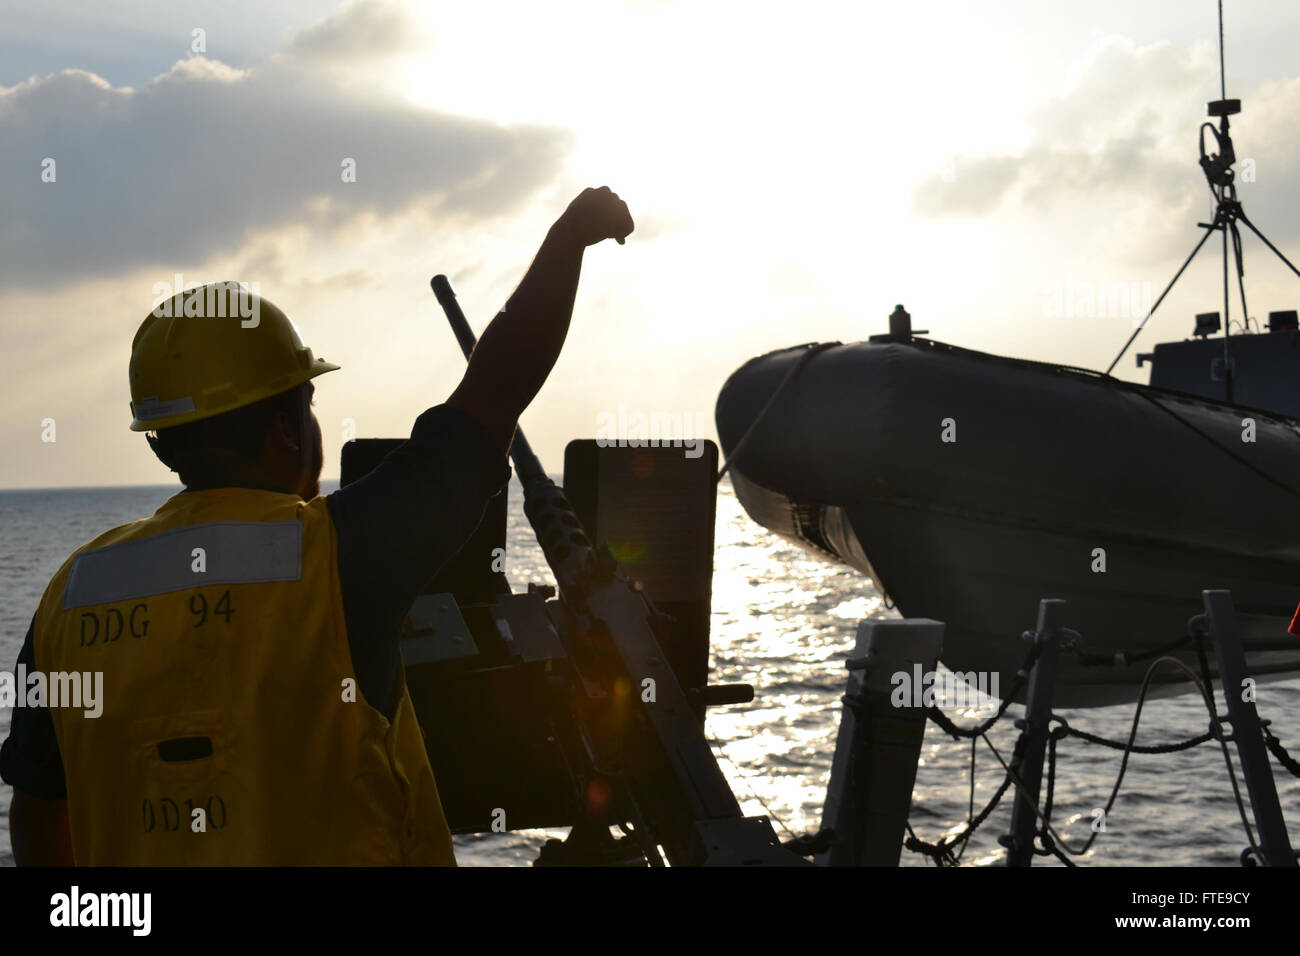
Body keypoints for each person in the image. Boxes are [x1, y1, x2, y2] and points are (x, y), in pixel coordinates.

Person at [0, 186, 634, 865]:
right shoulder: (341, 553)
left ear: (161, 442)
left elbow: (39, 811)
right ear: (283, 431)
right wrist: (570, 237)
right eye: (306, 403)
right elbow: (497, 386)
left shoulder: (72, 595)